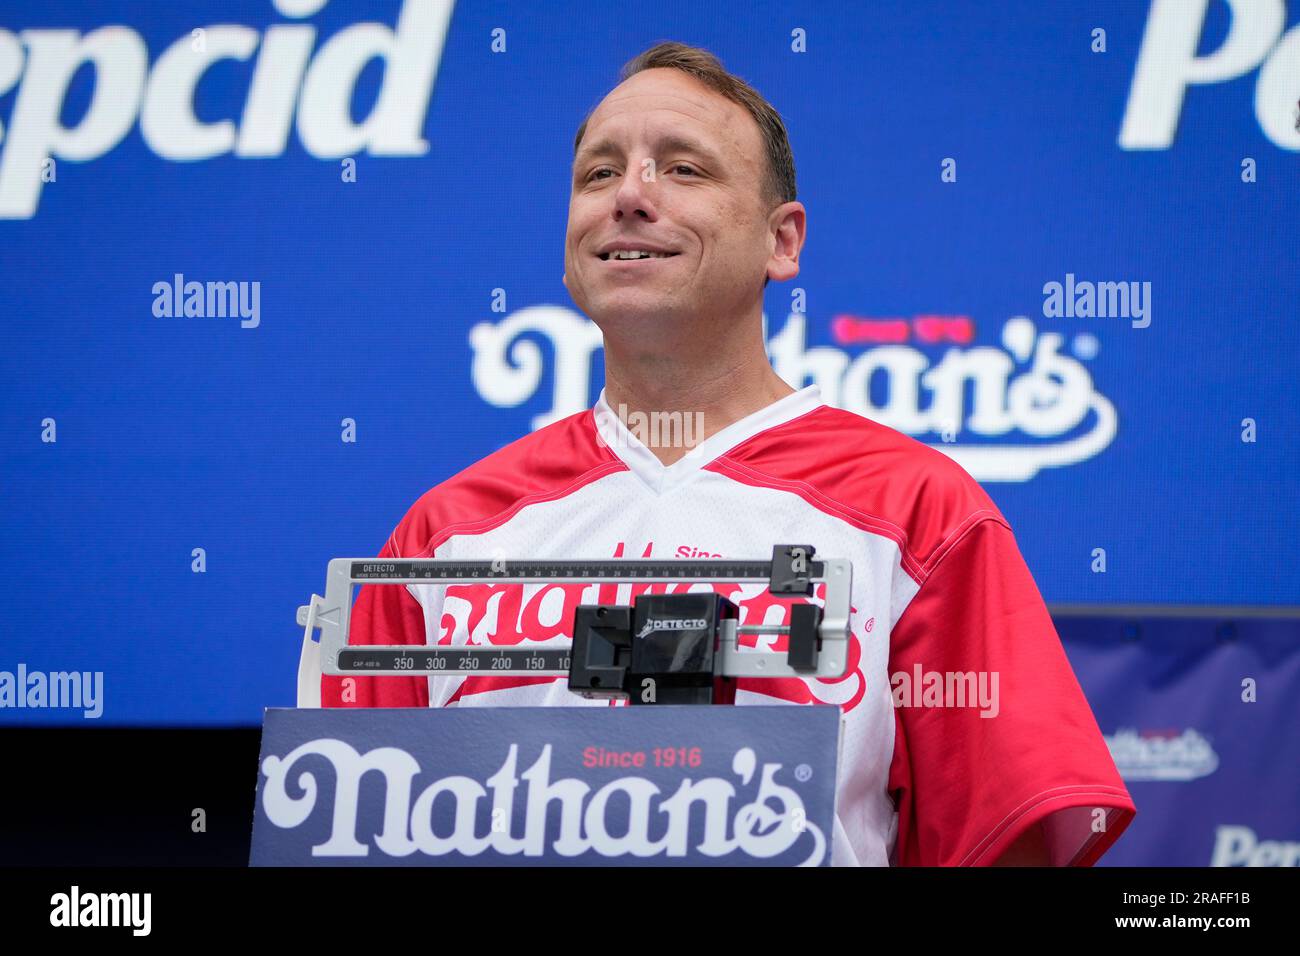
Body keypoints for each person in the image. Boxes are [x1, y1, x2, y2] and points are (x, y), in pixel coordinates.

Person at [320, 40, 1135, 866]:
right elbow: (348, 833)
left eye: (683, 169)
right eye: (599, 174)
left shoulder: (921, 513)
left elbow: (1005, 843)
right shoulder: (444, 535)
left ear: (783, 242)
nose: (629, 196)